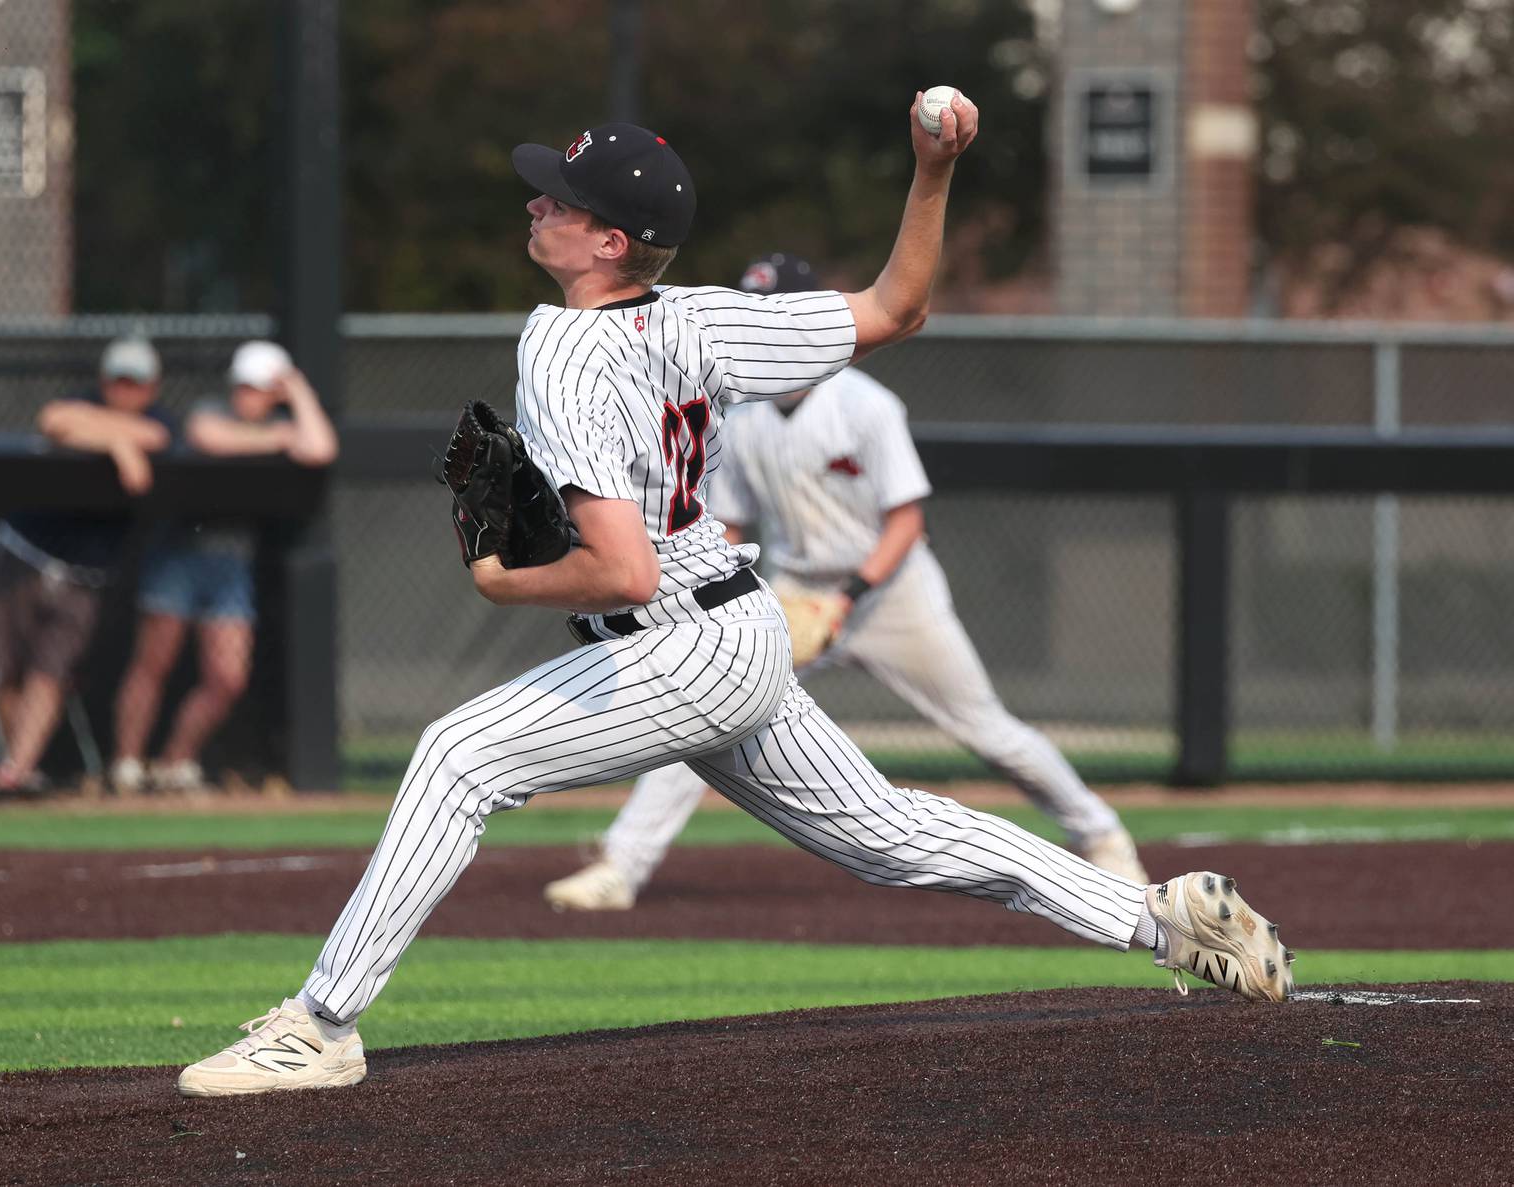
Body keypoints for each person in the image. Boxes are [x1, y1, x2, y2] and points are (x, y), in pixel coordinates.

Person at [177, 95, 1295, 1098]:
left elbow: (622, 571)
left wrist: (500, 577)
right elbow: (897, 308)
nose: (536, 203)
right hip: (737, 625)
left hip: (677, 638)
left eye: (557, 198)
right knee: (890, 833)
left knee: (458, 756)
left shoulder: (561, 346)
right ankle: (1152, 917)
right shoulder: (701, 316)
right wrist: (932, 170)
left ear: (608, 239)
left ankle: (321, 1023)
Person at [542, 254, 1147, 911]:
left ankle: (1103, 836)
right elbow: (731, 523)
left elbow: (906, 521)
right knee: (703, 709)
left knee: (987, 730)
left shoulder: (866, 404)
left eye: (774, 308)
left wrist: (847, 597)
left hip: (892, 592)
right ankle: (621, 867)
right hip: (794, 586)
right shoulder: (738, 416)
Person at [109, 341, 338, 795]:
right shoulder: (216, 412)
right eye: (243, 387)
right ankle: (127, 765)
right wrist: (276, 439)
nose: (247, 397)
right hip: (180, 553)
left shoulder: (285, 420)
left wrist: (297, 392)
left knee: (228, 679)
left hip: (231, 563)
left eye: (259, 390)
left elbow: (321, 448)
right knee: (153, 663)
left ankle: (175, 761)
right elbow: (204, 434)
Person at [0, 337, 176, 794]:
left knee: (52, 668)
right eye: (118, 381)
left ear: (153, 387)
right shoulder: (80, 401)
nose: (125, 391)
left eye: (136, 384)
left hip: (84, 572)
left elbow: (157, 437)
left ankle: (16, 770)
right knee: (5, 667)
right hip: (25, 550)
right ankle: (15, 765)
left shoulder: (162, 420)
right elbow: (54, 419)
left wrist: (108, 436)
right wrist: (120, 444)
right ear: (104, 380)